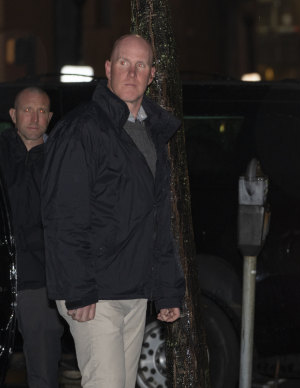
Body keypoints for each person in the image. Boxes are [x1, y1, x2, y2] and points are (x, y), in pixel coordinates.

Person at [42, 34, 185, 388]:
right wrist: (78, 289)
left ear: (152, 74)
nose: (132, 72)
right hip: (94, 290)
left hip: (133, 290)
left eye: (141, 65)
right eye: (124, 62)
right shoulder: (82, 130)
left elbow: (158, 220)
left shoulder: (153, 134)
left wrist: (167, 290)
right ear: (108, 68)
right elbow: (63, 216)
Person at [0, 87, 63, 388]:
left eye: (41, 111)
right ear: (13, 115)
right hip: (2, 280)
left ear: (50, 118)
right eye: (27, 110)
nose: (34, 118)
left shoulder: (61, 160)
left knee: (44, 375)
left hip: (41, 285)